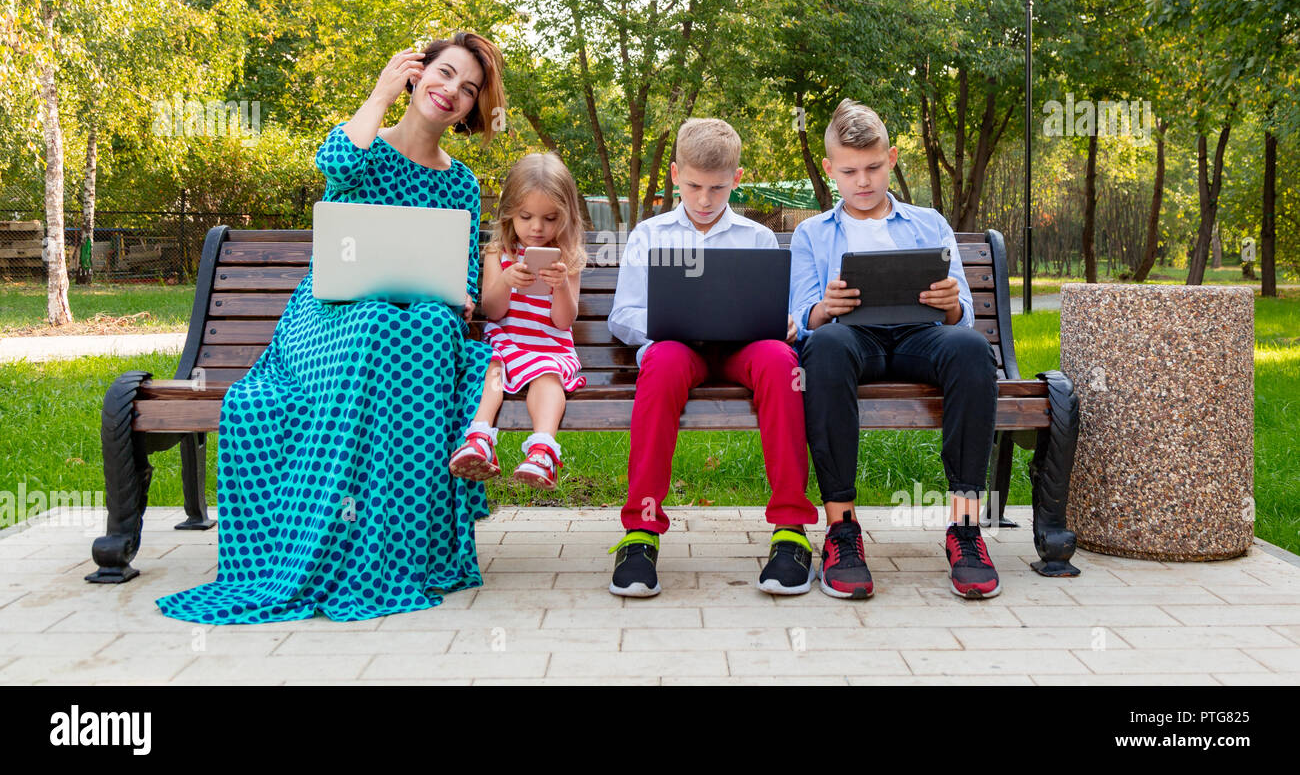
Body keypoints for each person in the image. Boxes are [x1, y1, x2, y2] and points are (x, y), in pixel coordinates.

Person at [155, 31, 507, 624]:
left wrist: (464, 300)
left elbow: (463, 279)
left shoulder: (462, 184)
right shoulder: (364, 151)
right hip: (332, 317)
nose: (453, 92)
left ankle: (391, 550)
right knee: (375, 318)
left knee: (424, 324)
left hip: (416, 325)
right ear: (418, 73)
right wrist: (379, 94)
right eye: (444, 73)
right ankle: (325, 548)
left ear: (473, 108)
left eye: (469, 89)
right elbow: (332, 162)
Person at [791, 98, 1000, 601]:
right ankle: (842, 530)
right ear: (829, 170)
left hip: (919, 337)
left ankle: (965, 530)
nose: (863, 180)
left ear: (893, 158)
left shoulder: (929, 223)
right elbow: (799, 321)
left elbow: (962, 314)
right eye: (850, 171)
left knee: (971, 349)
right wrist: (826, 306)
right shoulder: (812, 233)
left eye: (874, 167)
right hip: (850, 339)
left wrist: (949, 304)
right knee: (826, 346)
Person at [606, 118, 819, 598]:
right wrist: (668, 322)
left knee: (783, 364)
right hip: (678, 348)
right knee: (659, 364)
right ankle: (640, 532)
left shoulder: (757, 238)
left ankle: (790, 530)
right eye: (694, 186)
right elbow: (622, 315)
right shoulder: (649, 234)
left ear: (736, 180)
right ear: (676, 174)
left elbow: (777, 311)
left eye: (718, 188)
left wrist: (782, 322)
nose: (704, 199)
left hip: (743, 349)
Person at [447, 152, 587, 490]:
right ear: (511, 212)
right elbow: (493, 311)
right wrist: (507, 281)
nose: (537, 228)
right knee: (491, 366)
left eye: (550, 218)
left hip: (549, 346)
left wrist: (561, 287)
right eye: (526, 217)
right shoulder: (499, 252)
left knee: (548, 378)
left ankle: (543, 451)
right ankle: (479, 438)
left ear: (566, 216)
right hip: (506, 341)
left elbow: (563, 321)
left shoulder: (567, 259)